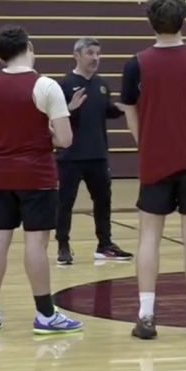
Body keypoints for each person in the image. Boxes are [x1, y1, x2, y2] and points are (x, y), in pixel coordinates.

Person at [119, 0, 186, 340]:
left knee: (149, 237)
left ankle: (146, 317)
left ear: (150, 21)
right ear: (184, 19)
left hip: (154, 160)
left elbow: (129, 111)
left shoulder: (136, 63)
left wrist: (146, 140)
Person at [0, 24, 84, 336]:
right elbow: (65, 140)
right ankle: (45, 314)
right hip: (36, 173)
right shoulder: (46, 86)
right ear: (29, 46)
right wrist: (49, 131)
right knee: (36, 242)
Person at [55, 36, 131, 265]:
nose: (95, 58)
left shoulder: (102, 84)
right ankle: (63, 246)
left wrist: (119, 108)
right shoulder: (64, 85)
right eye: (90, 53)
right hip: (70, 157)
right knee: (65, 202)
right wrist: (69, 108)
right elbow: (55, 118)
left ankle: (105, 244)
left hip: (97, 155)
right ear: (76, 55)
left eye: (97, 53)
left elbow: (103, 111)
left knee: (103, 200)